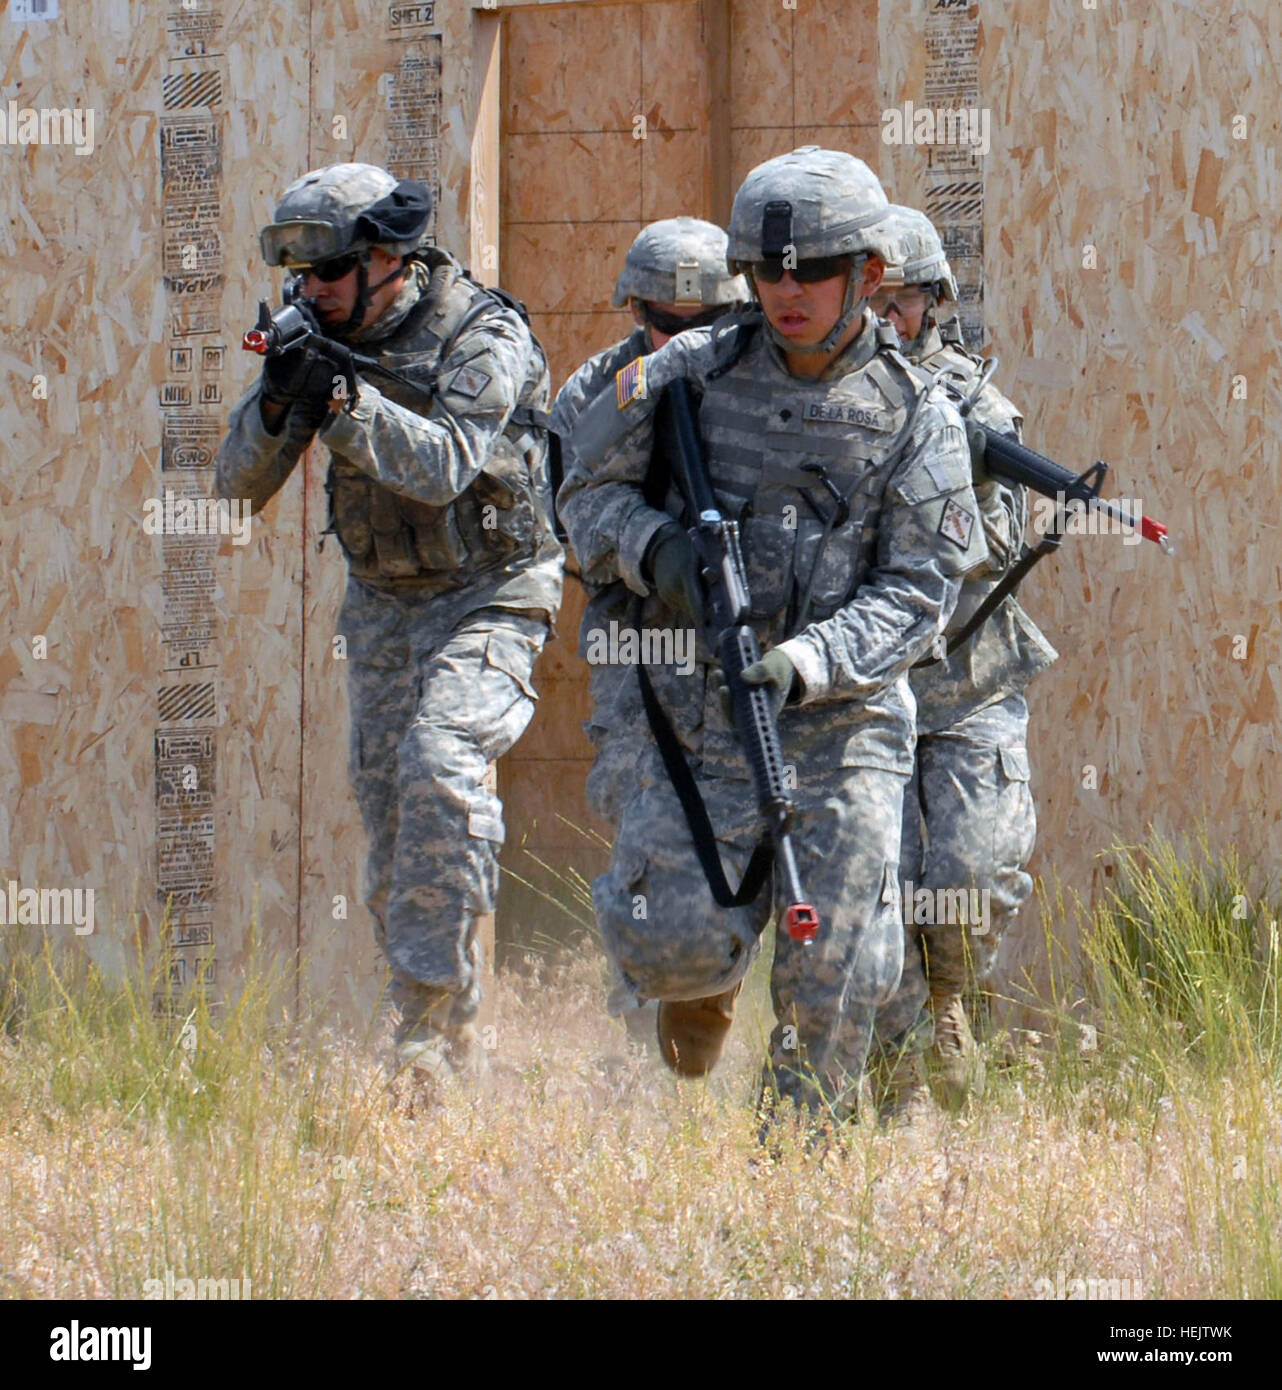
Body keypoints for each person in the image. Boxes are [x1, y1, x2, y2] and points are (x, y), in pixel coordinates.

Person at [558, 148, 989, 1127]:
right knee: (670, 941)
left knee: (842, 970)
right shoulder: (678, 377)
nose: (785, 291)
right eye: (766, 271)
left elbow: (920, 587)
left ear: (868, 276)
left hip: (846, 728)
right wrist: (655, 549)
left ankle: (800, 1183)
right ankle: (702, 979)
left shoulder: (916, 417)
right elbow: (583, 494)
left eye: (811, 270)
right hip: (705, 716)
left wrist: (809, 659)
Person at [214, 163, 563, 1084]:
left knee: (441, 768)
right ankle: (441, 1021)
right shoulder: (313, 329)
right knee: (395, 824)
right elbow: (236, 485)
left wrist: (342, 401)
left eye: (327, 271)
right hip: (382, 604)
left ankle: (424, 1040)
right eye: (297, 274)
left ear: (386, 259)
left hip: (491, 592)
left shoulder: (484, 333)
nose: (310, 290)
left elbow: (447, 463)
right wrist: (285, 397)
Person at [861, 205, 1058, 1116]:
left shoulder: (971, 405)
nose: (884, 319)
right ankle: (898, 1081)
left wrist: (937, 457)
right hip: (869, 688)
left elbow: (1002, 539)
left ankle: (954, 1001)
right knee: (882, 890)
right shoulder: (833, 402)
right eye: (872, 300)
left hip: (969, 682)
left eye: (900, 302)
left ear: (933, 303)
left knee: (967, 870)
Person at [549, 220, 747, 1044]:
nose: (686, 343)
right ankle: (650, 1040)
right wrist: (653, 550)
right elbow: (572, 521)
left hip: (759, 655)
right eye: (666, 323)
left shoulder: (766, 389)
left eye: (705, 326)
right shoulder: (598, 394)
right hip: (648, 663)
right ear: (635, 311)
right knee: (651, 858)